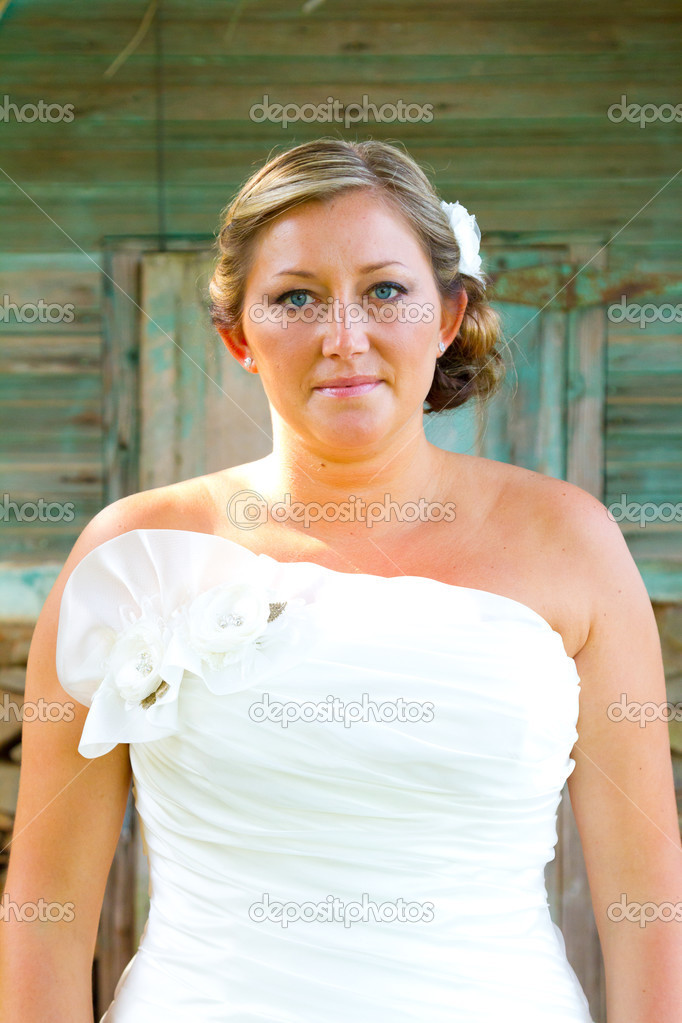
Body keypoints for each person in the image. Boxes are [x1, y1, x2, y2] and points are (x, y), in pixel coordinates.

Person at [1, 138, 680, 1023]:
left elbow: (646, 904)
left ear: (448, 315)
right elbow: (46, 913)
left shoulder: (572, 543)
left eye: (385, 290)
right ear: (238, 336)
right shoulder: (133, 556)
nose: (344, 338)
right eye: (297, 297)